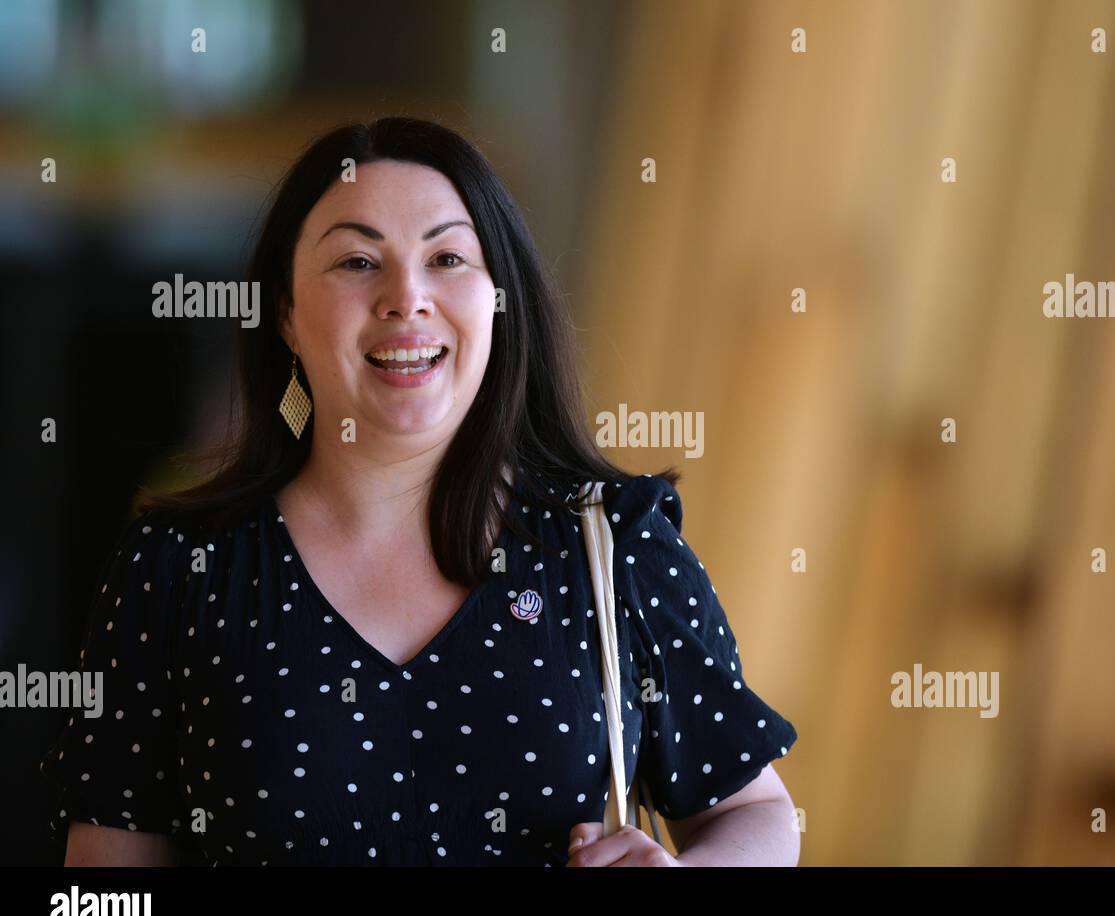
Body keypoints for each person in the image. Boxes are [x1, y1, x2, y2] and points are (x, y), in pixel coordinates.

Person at [39, 116, 798, 866]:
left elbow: (758, 814)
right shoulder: (177, 569)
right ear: (286, 316)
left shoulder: (613, 544)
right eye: (357, 262)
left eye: (447, 258)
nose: (407, 297)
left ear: (500, 301)